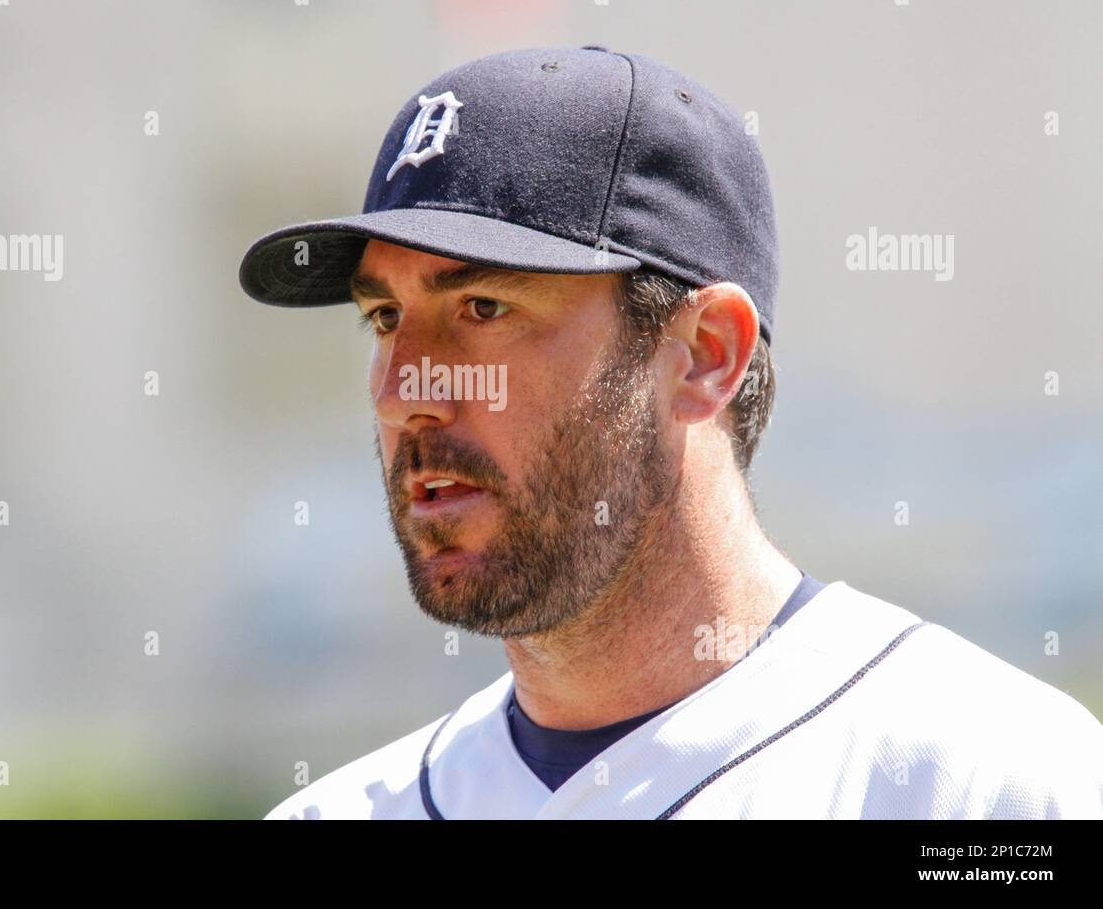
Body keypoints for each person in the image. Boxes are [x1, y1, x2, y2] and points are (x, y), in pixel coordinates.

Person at [238, 46, 1103, 819]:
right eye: (385, 317)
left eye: (484, 307)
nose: (403, 393)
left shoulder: (991, 787)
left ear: (704, 354)